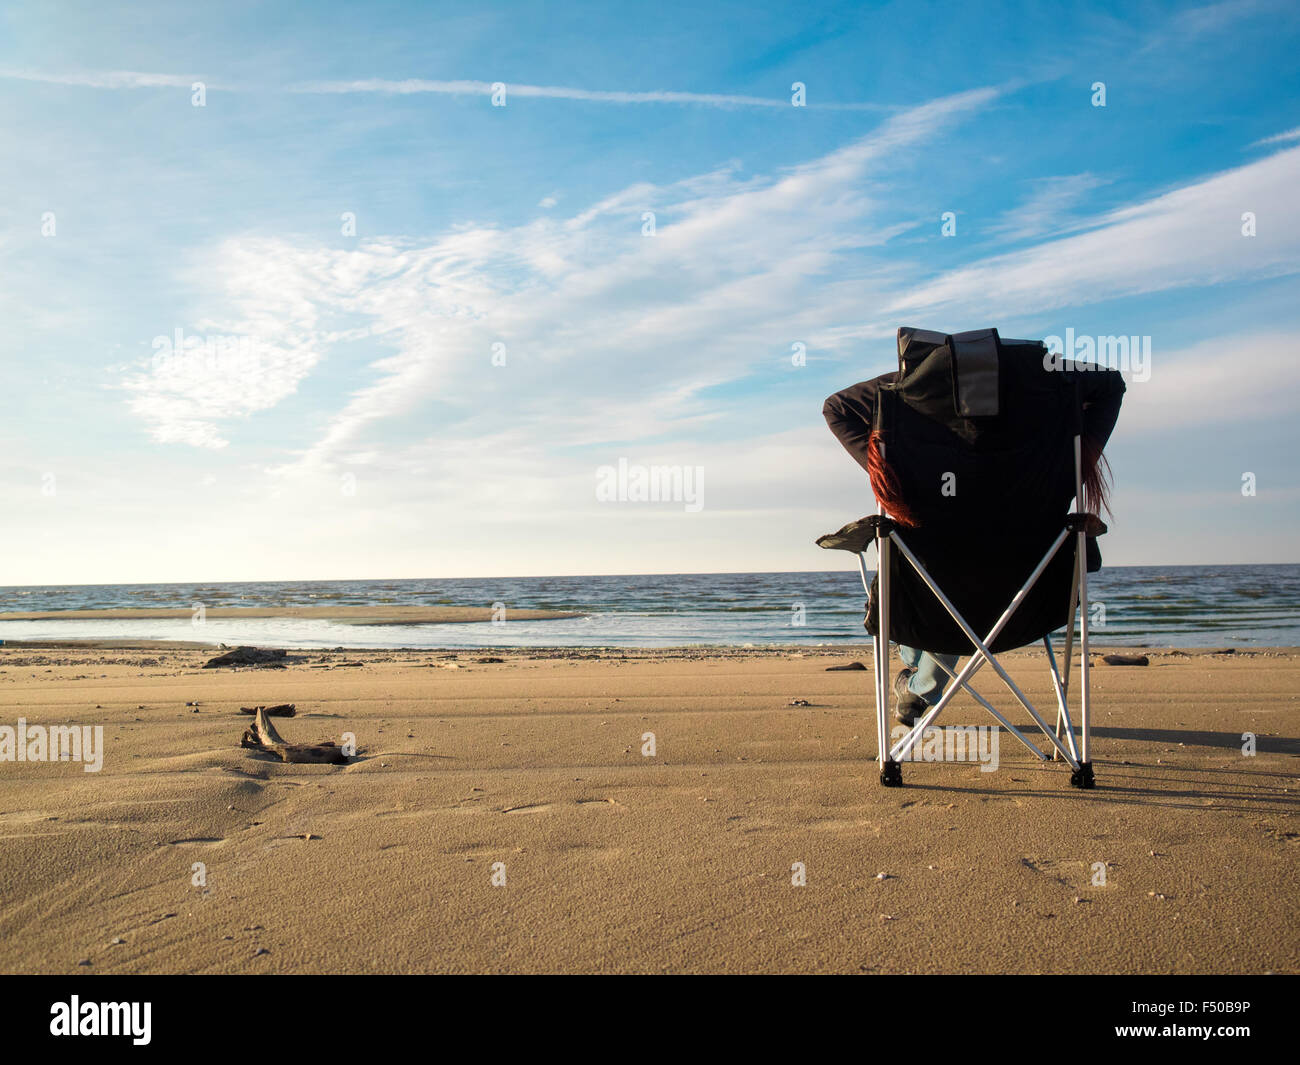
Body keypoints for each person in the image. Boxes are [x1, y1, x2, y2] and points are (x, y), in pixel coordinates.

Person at [823, 345, 1123, 727]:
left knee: (941, 579)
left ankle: (918, 684)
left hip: (935, 601)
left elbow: (836, 406)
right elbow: (1111, 384)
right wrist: (1041, 376)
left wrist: (918, 385)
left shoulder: (916, 465)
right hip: (1029, 604)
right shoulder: (1054, 449)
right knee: (953, 582)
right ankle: (917, 683)